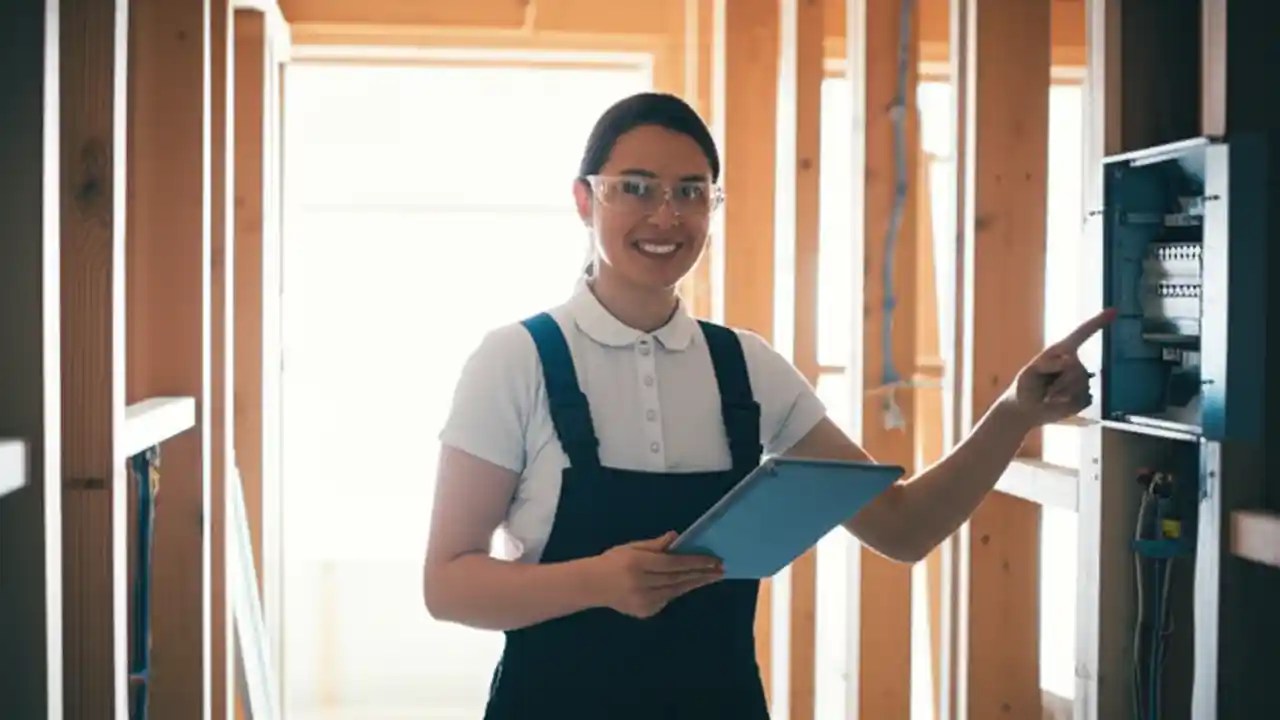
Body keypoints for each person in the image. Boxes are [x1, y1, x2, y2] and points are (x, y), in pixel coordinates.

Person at [422, 91, 1112, 719]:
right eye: (635, 188)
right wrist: (598, 583)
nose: (666, 215)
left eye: (691, 192)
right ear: (584, 200)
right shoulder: (515, 362)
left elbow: (905, 529)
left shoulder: (746, 370)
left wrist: (1015, 413)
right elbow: (448, 584)